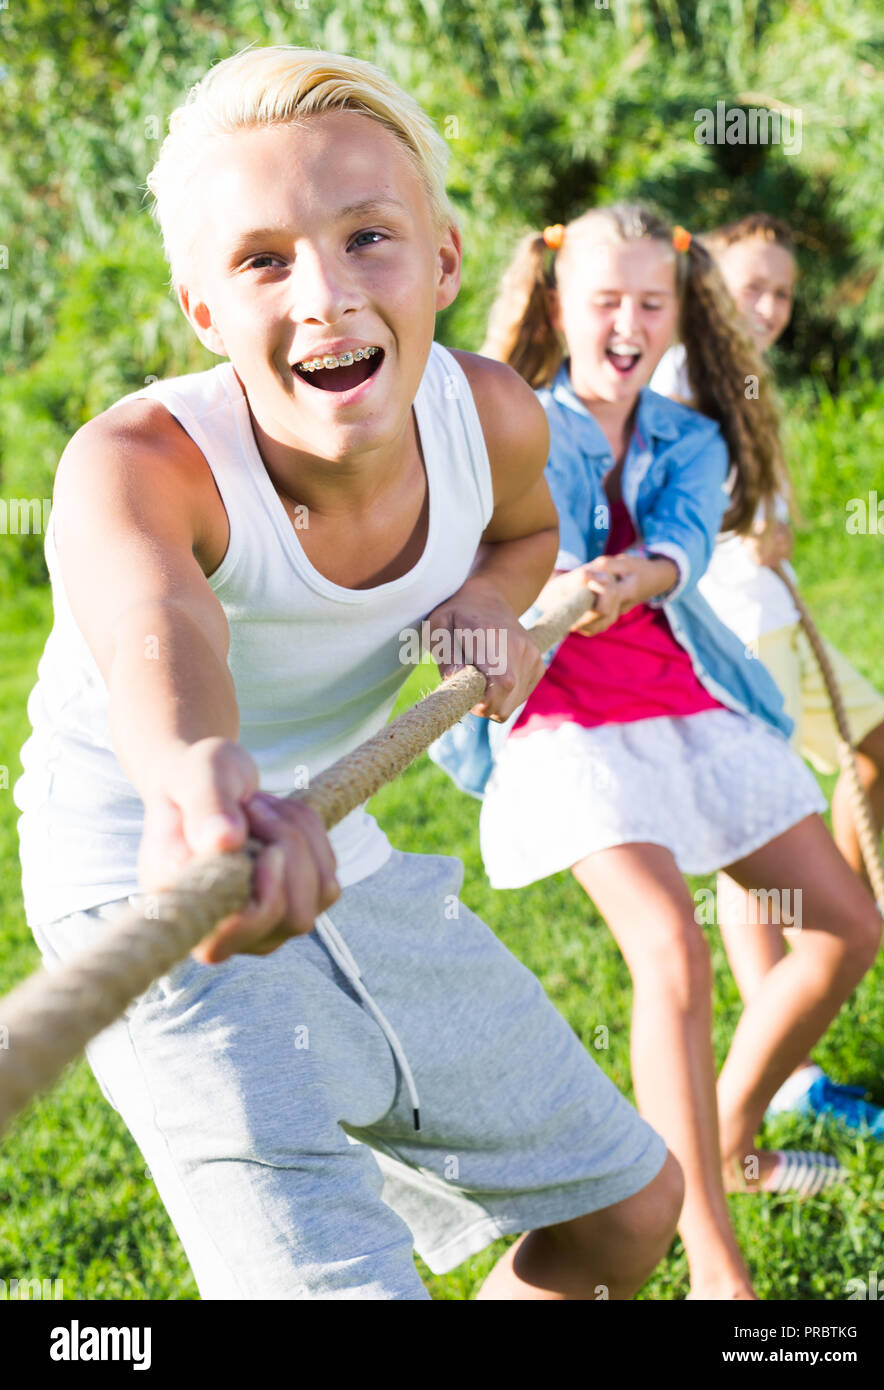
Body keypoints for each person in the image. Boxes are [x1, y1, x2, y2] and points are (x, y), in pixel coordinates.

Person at [11, 50, 683, 1301]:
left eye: (366, 236)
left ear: (442, 260)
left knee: (627, 1205)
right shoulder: (140, 464)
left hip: (340, 831)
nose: (322, 294)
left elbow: (522, 531)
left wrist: (487, 599)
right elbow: (163, 629)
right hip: (154, 869)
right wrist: (201, 789)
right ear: (203, 311)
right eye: (262, 259)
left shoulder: (491, 417)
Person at [431, 204, 884, 1301]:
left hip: (683, 701)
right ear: (556, 303)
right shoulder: (514, 423)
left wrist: (634, 576)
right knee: (671, 953)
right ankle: (717, 1271)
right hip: (569, 724)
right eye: (604, 301)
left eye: (650, 302)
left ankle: (721, 1130)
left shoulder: (689, 433)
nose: (627, 323)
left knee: (844, 925)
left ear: (677, 310)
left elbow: (679, 543)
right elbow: (481, 559)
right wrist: (549, 589)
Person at [650, 212, 884, 1137]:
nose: (769, 306)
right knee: (754, 831)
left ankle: (853, 889)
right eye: (750, 285)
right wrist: (733, 527)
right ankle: (787, 1067)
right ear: (704, 283)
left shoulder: (732, 370)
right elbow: (658, 500)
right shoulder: (680, 371)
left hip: (771, 616)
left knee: (878, 742)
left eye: (783, 293)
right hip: (732, 632)